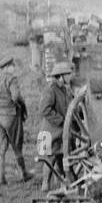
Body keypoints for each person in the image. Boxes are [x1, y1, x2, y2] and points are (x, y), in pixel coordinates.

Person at [0, 55, 32, 185]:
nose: (14, 68)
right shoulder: (11, 79)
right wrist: (20, 105)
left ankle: (1, 179)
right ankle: (24, 173)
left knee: (0, 149)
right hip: (11, 116)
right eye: (12, 66)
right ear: (7, 67)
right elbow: (16, 96)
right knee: (17, 146)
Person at [38, 61, 74, 191]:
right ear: (60, 76)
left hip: (62, 130)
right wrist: (61, 120)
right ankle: (45, 184)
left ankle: (62, 182)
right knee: (50, 157)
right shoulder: (50, 90)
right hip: (51, 130)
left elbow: (71, 106)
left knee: (61, 156)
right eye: (67, 74)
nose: (70, 77)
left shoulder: (65, 90)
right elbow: (44, 109)